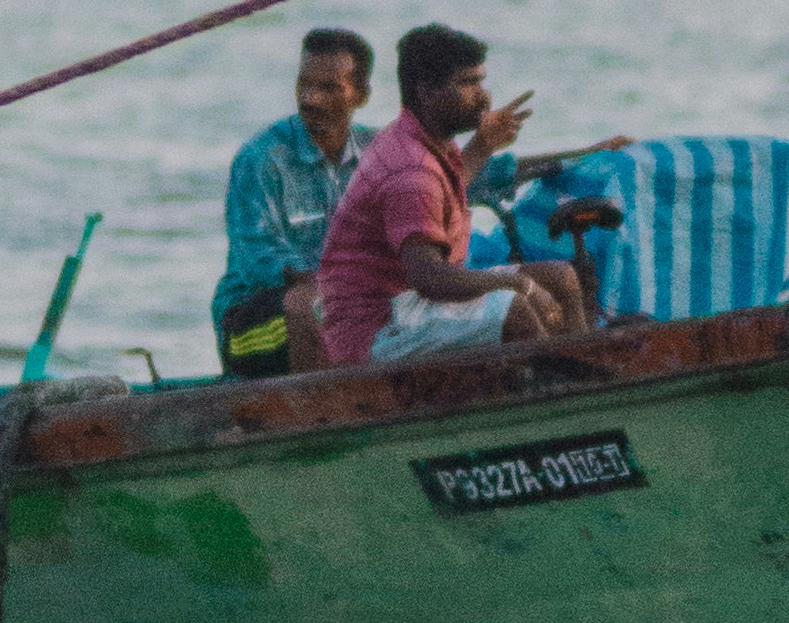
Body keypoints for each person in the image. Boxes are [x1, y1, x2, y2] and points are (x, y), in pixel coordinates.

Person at [314, 23, 603, 372]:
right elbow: (430, 279)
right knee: (516, 308)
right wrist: (517, 282)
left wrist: (482, 147)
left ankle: (586, 376)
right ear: (426, 92)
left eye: (481, 81)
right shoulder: (410, 169)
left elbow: (438, 199)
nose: (484, 97)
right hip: (375, 329)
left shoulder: (425, 139)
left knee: (561, 279)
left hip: (409, 304)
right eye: (468, 83)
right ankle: (561, 402)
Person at [211, 24, 375, 374]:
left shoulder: (379, 152)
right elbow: (259, 260)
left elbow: (446, 177)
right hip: (251, 322)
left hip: (345, 303)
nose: (310, 99)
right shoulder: (260, 159)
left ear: (360, 95)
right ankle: (322, 419)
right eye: (304, 84)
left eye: (328, 87)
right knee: (313, 304)